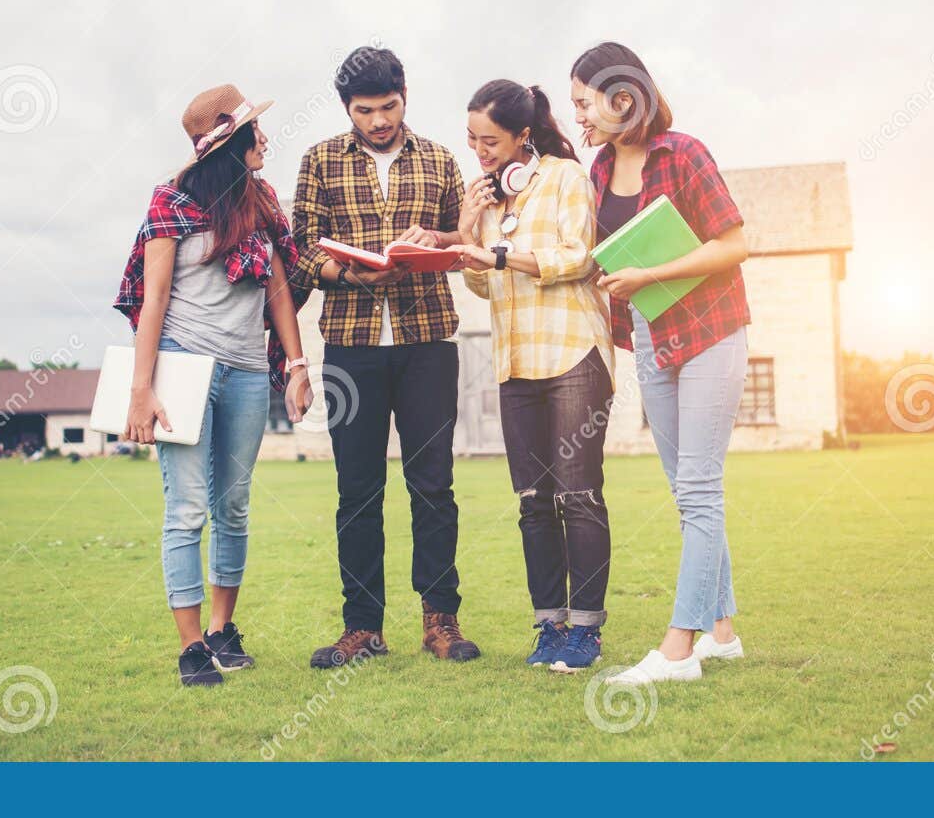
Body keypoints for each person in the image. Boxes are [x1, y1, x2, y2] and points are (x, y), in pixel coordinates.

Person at [115, 84, 314, 688]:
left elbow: (277, 286)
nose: (266, 139)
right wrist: (140, 389)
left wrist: (298, 367)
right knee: (187, 509)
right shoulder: (171, 202)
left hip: (248, 371)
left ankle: (224, 633)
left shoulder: (262, 200)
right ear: (230, 142)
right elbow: (153, 304)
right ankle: (191, 646)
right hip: (184, 366)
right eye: (256, 131)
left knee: (234, 507)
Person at [289, 45, 482, 668]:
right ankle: (362, 627)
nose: (378, 121)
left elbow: (468, 240)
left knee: (434, 486)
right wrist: (345, 274)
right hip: (351, 345)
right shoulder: (318, 161)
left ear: (405, 95)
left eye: (388, 107)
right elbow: (299, 252)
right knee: (357, 491)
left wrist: (440, 239)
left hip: (428, 340)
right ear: (347, 107)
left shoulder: (440, 159)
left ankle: (440, 621)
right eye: (364, 110)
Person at [568, 42, 753, 686]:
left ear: (623, 99)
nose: (580, 120)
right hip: (651, 339)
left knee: (700, 490)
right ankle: (723, 635)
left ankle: (678, 651)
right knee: (687, 493)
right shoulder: (594, 172)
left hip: (709, 332)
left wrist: (653, 271)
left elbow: (734, 244)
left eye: (585, 104)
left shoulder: (685, 153)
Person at [450, 80, 615, 673]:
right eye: (471, 139)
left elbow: (579, 256)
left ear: (523, 134)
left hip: (573, 355)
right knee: (533, 502)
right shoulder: (491, 199)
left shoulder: (568, 177)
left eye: (489, 139)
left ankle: (587, 632)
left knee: (578, 495)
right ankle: (550, 625)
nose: (479, 150)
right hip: (516, 362)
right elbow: (481, 283)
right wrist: (470, 230)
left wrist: (496, 253)